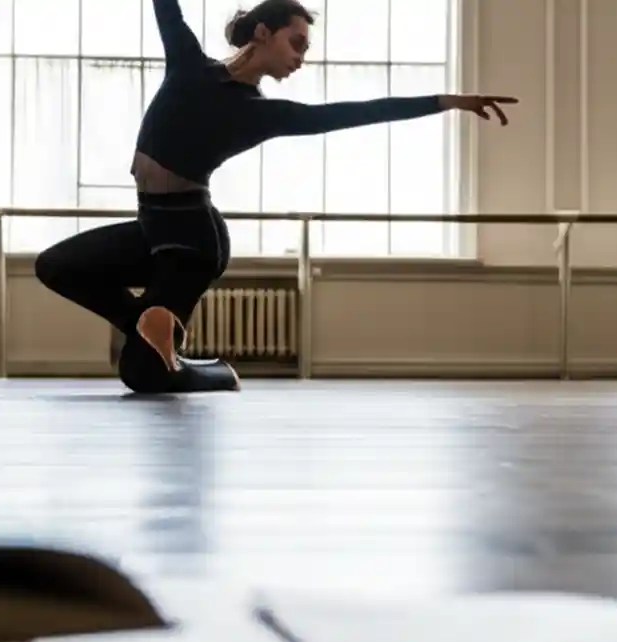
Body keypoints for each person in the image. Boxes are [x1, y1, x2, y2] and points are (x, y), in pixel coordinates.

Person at [35, 0, 517, 393]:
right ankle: (149, 324)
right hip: (151, 227)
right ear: (263, 32)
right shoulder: (188, 63)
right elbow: (167, 7)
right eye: (297, 42)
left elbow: (358, 112)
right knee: (55, 266)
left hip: (191, 239)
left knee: (142, 375)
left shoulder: (265, 113)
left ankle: (212, 369)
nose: (301, 57)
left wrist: (445, 102)